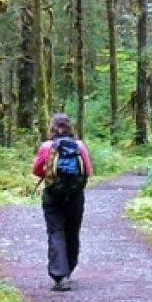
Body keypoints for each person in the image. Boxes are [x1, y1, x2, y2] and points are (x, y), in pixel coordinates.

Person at [31, 113, 93, 291]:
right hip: (75, 196)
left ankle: (60, 275)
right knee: (72, 231)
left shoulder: (46, 146)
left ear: (52, 127)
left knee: (56, 231)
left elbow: (36, 170)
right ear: (70, 127)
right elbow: (87, 171)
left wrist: (51, 174)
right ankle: (70, 267)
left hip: (53, 195)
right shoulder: (79, 145)